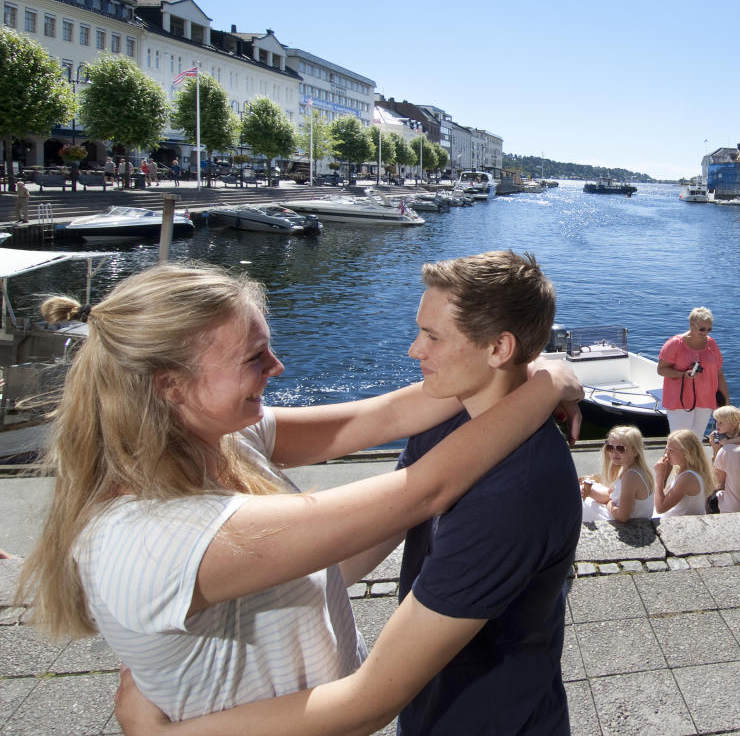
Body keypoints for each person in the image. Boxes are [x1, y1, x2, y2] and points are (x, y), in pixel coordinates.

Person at [15, 262, 583, 730]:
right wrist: (545, 386)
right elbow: (424, 491)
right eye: (254, 358)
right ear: (170, 386)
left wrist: (534, 369)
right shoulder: (156, 535)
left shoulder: (225, 441)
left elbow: (386, 414)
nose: (278, 367)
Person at [657, 307, 730, 437]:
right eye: (702, 329)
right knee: (680, 440)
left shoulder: (711, 344)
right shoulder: (675, 344)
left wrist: (726, 403)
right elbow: (661, 370)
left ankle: (693, 458)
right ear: (692, 324)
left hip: (706, 399)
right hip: (680, 400)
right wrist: (682, 375)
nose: (705, 332)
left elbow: (719, 374)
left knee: (697, 439)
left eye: (709, 329)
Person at [580, 425, 654, 523]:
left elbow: (622, 516)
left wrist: (609, 504)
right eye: (610, 447)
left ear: (635, 451)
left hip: (631, 524)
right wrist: (590, 493)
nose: (614, 453)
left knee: (578, 505)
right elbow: (610, 494)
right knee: (580, 494)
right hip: (620, 514)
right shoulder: (627, 468)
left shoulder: (631, 476)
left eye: (620, 448)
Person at [653, 428, 717, 517]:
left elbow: (660, 508)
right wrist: (665, 475)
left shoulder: (688, 477)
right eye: (666, 449)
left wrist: (659, 476)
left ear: (686, 453)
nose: (666, 454)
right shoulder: (685, 472)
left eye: (671, 450)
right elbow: (662, 496)